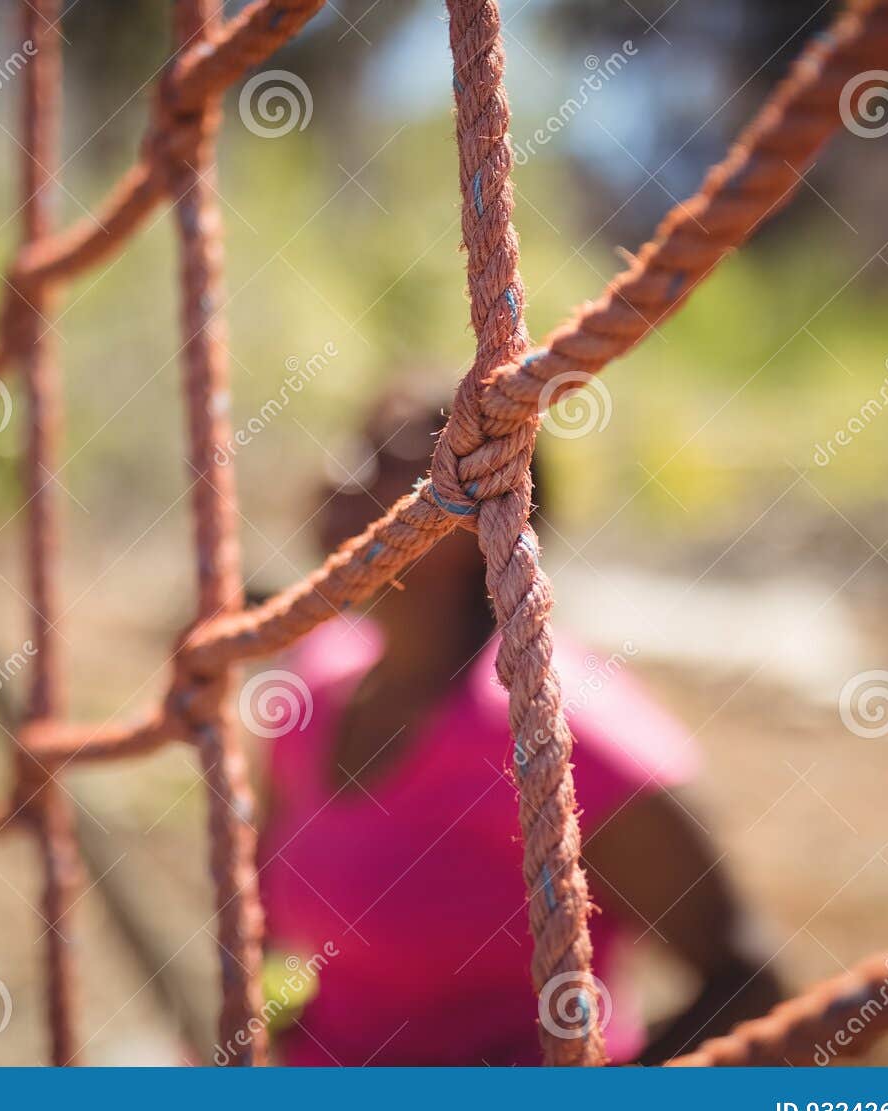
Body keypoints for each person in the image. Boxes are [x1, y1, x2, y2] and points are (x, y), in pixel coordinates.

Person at [255, 388, 781, 1065]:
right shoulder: (313, 686)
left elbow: (746, 981)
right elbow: (259, 900)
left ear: (485, 516)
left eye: (386, 460)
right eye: (352, 447)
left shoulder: (564, 734)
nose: (336, 475)